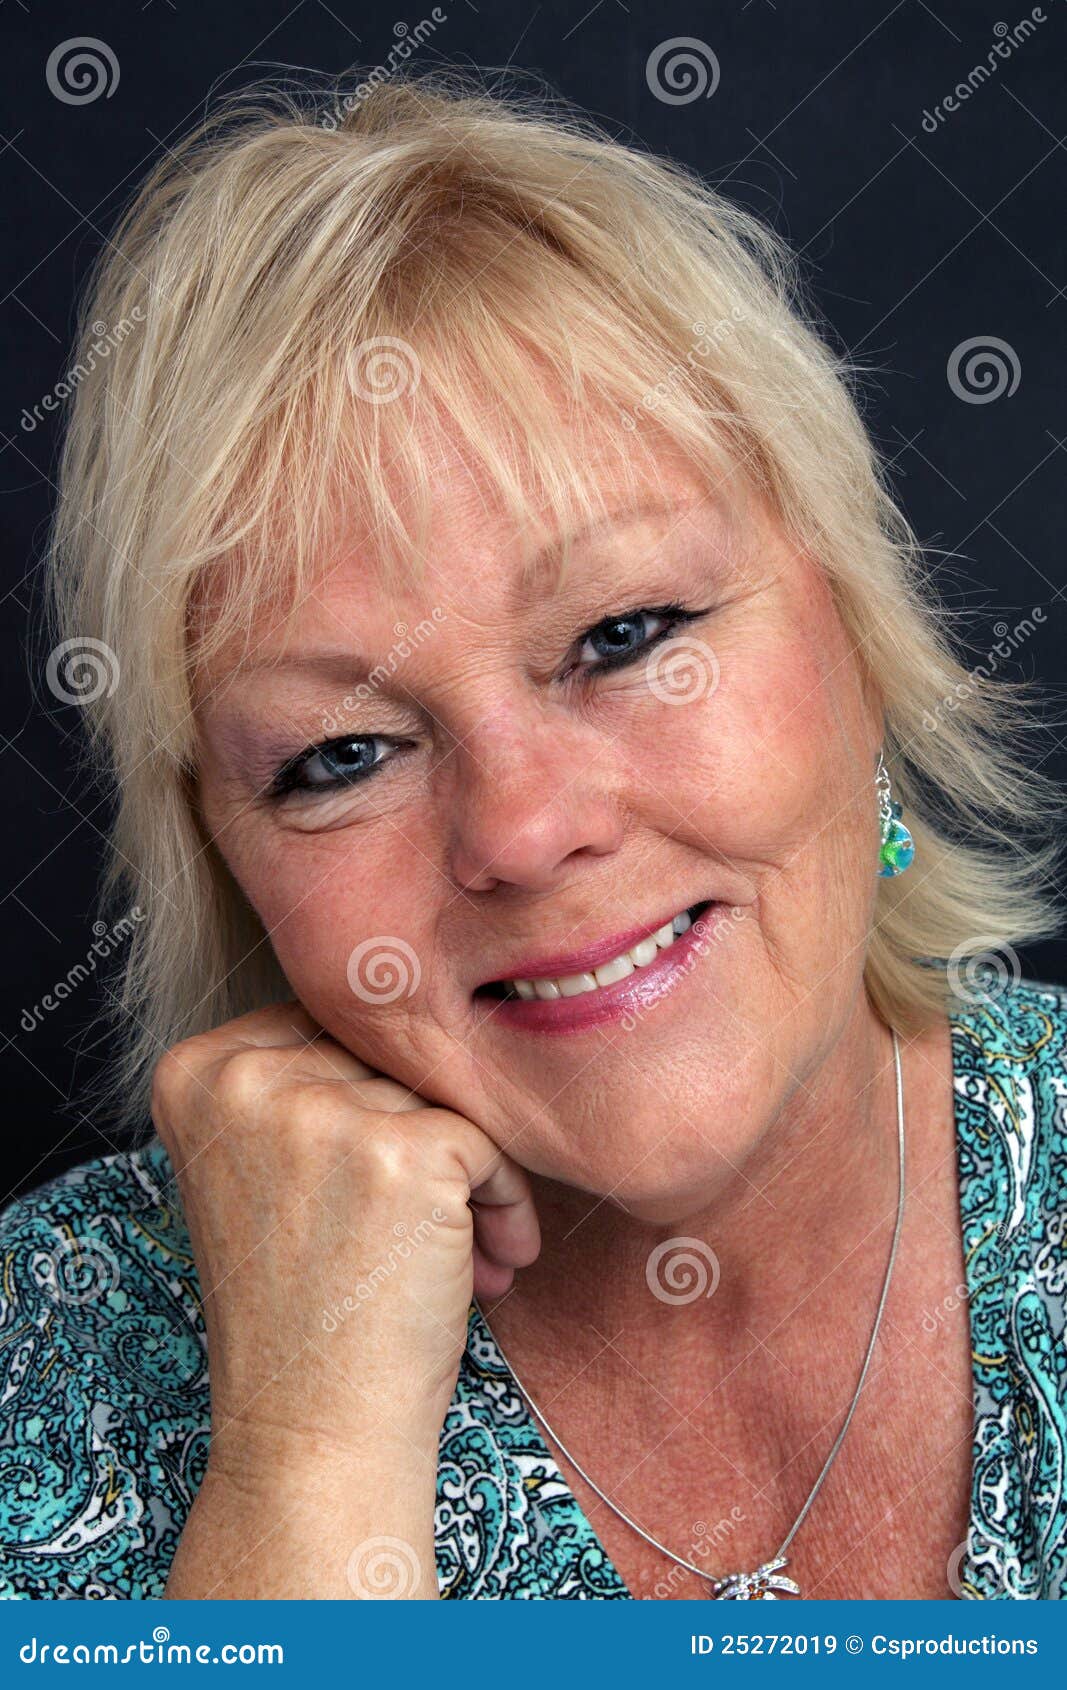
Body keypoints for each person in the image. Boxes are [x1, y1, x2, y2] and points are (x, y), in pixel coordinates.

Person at [2, 69, 1065, 1602]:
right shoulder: (53, 1343)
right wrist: (305, 1461)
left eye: (627, 632)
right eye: (343, 753)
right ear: (226, 855)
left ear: (856, 641)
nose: (523, 827)